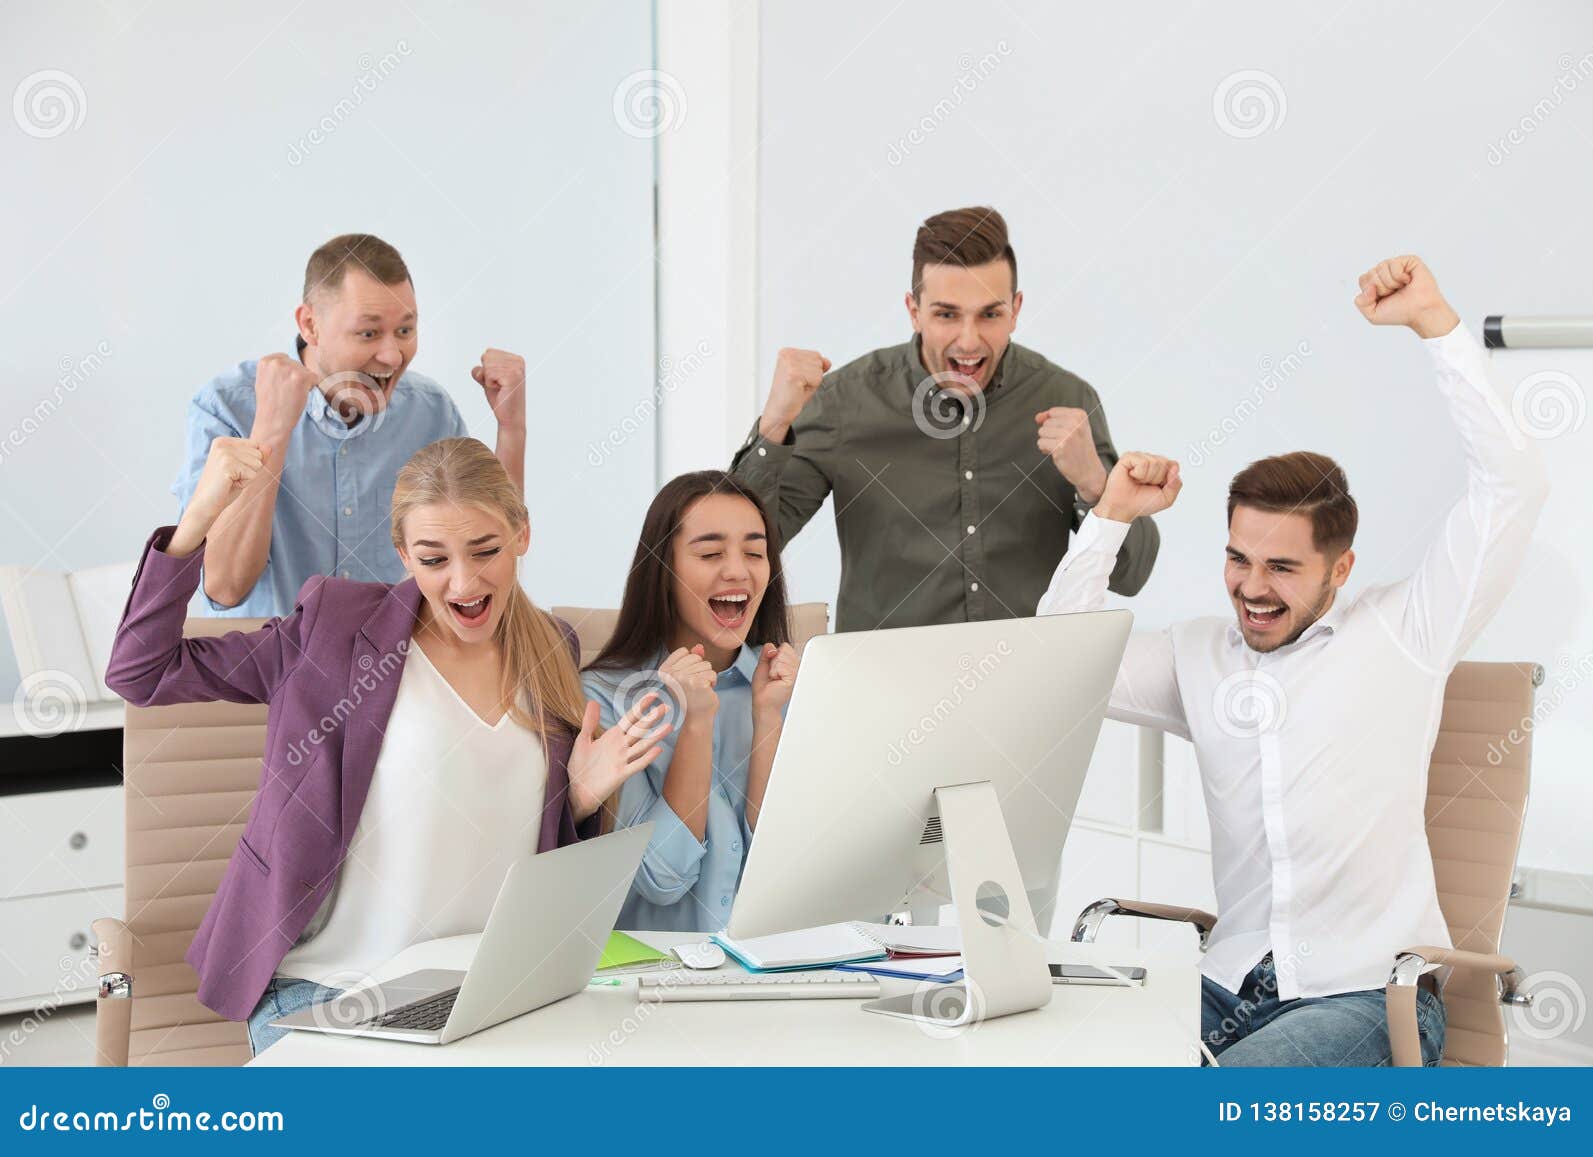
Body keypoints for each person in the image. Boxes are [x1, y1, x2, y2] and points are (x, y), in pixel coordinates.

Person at [1037, 255, 1549, 1066]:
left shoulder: (1407, 631)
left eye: (1282, 567)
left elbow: (1511, 486)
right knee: (1060, 1077)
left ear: (1340, 570)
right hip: (1225, 981)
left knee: (1209, 1116)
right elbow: (1053, 661)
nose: (1252, 588)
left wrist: (1436, 327)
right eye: (1239, 559)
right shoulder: (1201, 655)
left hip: (1370, 997)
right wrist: (1111, 515)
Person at [107, 437, 672, 1055]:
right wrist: (198, 519)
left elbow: (523, 854)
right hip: (329, 988)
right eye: (434, 559)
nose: (464, 581)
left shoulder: (551, 649)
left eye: (486, 550)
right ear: (403, 554)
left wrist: (579, 799)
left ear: (522, 535)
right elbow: (143, 671)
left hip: (487, 989)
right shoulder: (335, 629)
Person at [729, 205, 1158, 633]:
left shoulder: (1067, 399)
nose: (969, 340)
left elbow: (1131, 575)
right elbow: (746, 549)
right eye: (947, 314)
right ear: (913, 310)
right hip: (885, 687)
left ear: (1016, 308)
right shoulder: (844, 401)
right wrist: (774, 424)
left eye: (990, 314)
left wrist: (1095, 485)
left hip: (1026, 683)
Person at [173, 233, 530, 616]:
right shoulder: (227, 407)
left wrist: (511, 431)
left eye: (405, 330)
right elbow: (225, 587)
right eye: (369, 333)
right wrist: (271, 434)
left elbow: (489, 559)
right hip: (267, 670)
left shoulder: (431, 412)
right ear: (310, 325)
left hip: (392, 667)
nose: (393, 355)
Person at [580, 472, 800, 932]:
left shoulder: (795, 689)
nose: (738, 570)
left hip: (774, 971)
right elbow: (662, 879)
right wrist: (695, 722)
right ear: (664, 569)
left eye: (755, 552)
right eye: (710, 553)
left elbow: (789, 879)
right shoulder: (604, 700)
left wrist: (767, 719)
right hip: (653, 982)